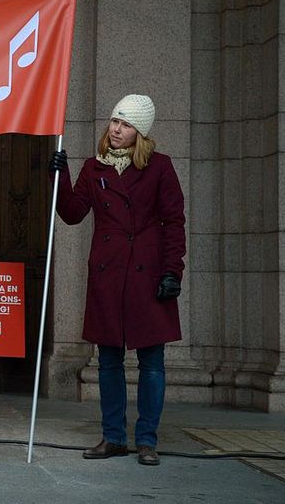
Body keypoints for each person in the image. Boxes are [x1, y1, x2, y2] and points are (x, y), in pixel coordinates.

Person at [49, 94, 185, 467]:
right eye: (113, 121)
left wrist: (174, 270)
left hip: (148, 272)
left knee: (152, 361)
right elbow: (74, 213)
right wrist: (60, 176)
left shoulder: (159, 168)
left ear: (139, 132)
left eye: (124, 124)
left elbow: (174, 222)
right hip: (109, 273)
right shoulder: (95, 169)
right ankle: (113, 437)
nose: (115, 129)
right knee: (108, 360)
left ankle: (146, 440)